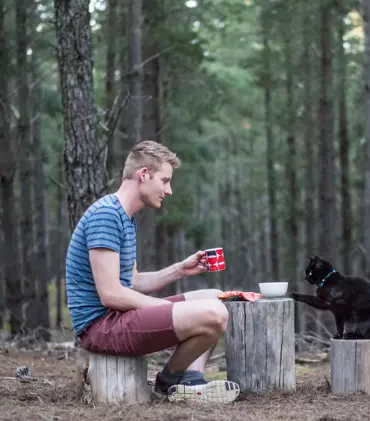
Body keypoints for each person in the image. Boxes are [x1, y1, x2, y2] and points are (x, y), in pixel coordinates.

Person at [64, 140, 240, 403]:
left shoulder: (125, 216)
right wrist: (164, 310)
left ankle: (191, 381)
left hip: (119, 317)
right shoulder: (106, 216)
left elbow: (132, 281)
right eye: (165, 180)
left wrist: (180, 270)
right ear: (143, 174)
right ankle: (169, 382)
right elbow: (111, 295)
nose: (169, 190)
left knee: (217, 297)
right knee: (214, 314)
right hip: (101, 327)